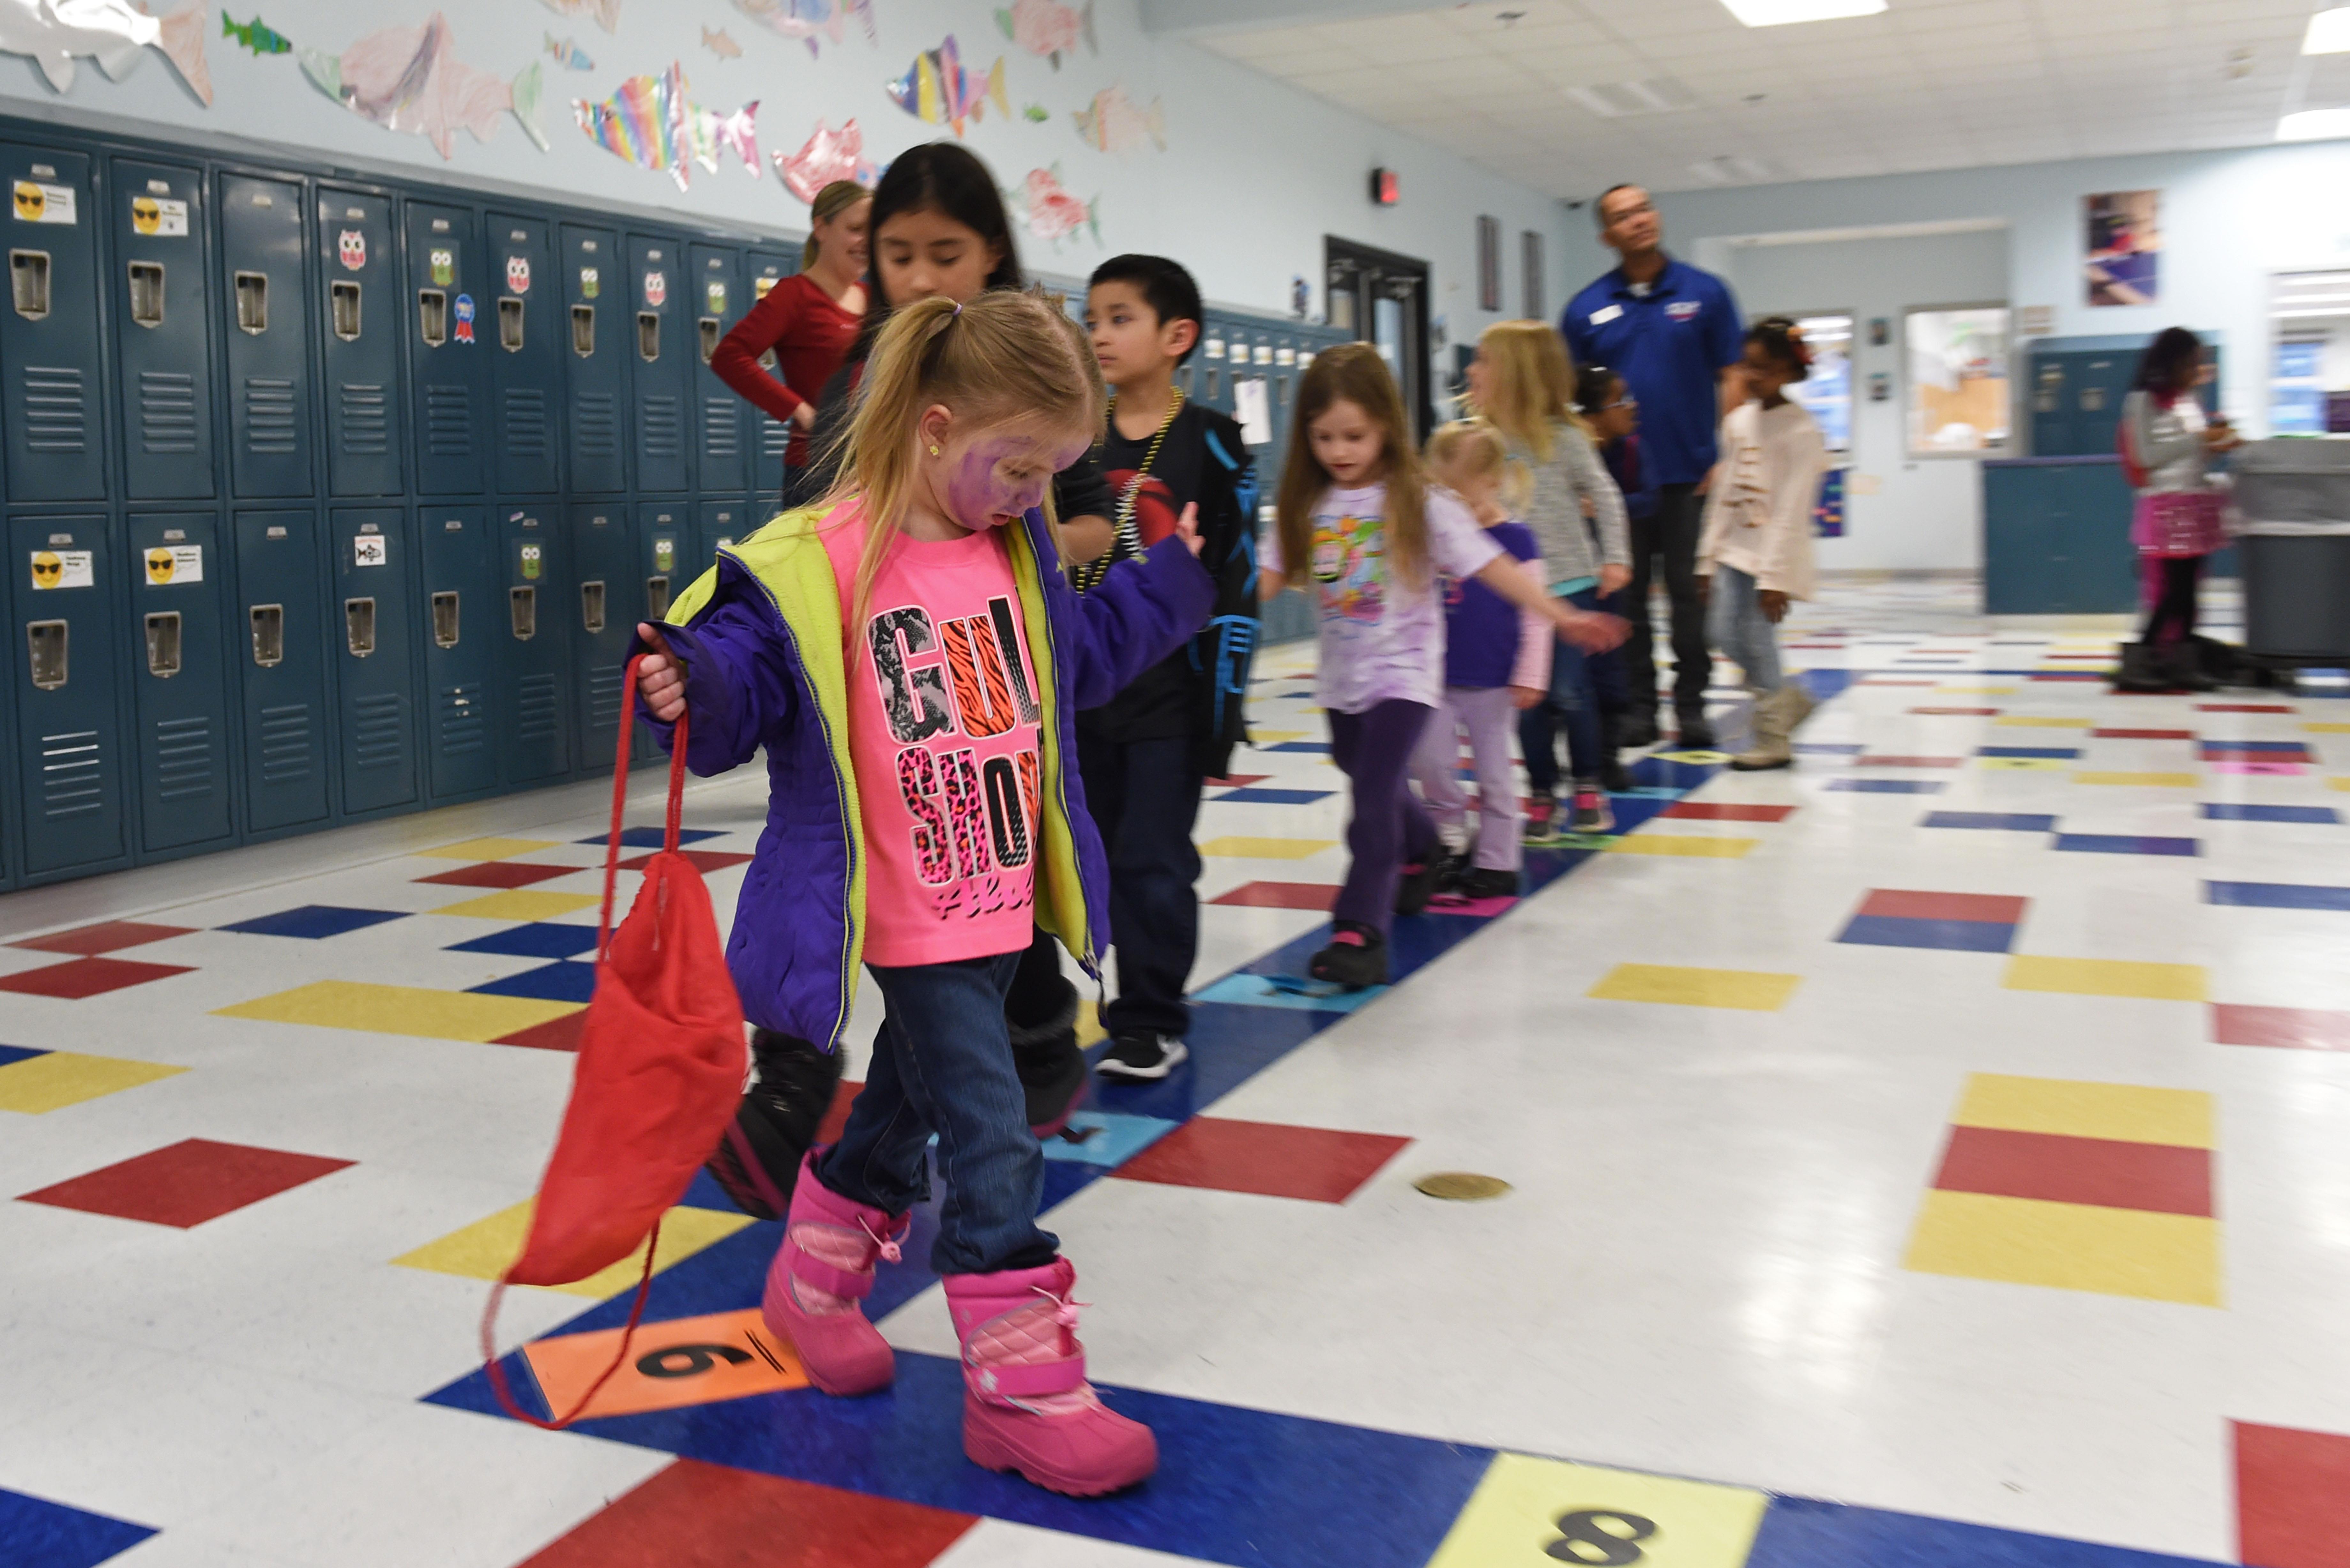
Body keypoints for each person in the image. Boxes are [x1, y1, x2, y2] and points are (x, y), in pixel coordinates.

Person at [631, 290, 1213, 1497]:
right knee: (993, 1132)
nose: (1033, 496)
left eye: (1052, 473)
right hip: (905, 905)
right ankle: (1024, 1388)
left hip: (998, 891)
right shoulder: (822, 555)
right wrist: (694, 678)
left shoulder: (1010, 552)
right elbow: (748, 663)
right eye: (1016, 467)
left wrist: (1172, 588)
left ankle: (810, 1286)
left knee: (903, 1108)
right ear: (937, 426)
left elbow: (1082, 658)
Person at [704, 144, 1112, 1223]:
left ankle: (829, 1250)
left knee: (923, 1080)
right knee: (982, 1123)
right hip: (891, 813)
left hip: (988, 830)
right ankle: (1013, 1329)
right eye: (898, 254)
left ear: (994, 258)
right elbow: (784, 606)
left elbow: (1077, 611)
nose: (921, 277)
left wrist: (1140, 580)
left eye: (948, 253)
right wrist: (705, 672)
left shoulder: (1020, 450)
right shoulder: (856, 402)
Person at [1262, 344, 1624, 989]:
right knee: (1365, 774)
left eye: (1355, 435)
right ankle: (1424, 845)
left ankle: (1358, 929)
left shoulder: (1421, 502)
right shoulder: (1305, 503)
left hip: (1404, 677)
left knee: (1370, 794)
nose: (1340, 451)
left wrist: (1560, 615)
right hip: (1342, 679)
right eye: (1323, 437)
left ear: (1385, 427)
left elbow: (1492, 565)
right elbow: (1260, 579)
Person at [1078, 254, 1259, 1082]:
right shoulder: (1072, 435)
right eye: (1093, 319)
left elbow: (1240, 577)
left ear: (1176, 336)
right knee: (1100, 858)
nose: (1100, 335)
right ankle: (1113, 1000)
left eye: (1121, 318)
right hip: (1086, 691)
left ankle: (1152, 1017)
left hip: (1171, 700)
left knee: (1154, 857)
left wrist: (1223, 708)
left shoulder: (1215, 443)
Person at [1563, 185, 1746, 753]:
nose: (1638, 221)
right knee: (1629, 595)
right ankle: (1639, 707)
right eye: (1623, 216)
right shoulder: (1585, 308)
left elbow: (1732, 377)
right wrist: (1582, 479)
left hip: (1692, 476)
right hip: (1618, 484)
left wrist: (1726, 454)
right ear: (1607, 235)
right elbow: (1571, 402)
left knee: (1692, 598)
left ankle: (1691, 706)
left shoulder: (1706, 293)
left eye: (1643, 209)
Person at [1464, 321, 1630, 838]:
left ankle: (1587, 784)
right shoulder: (1477, 441)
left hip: (1566, 582)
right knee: (1526, 697)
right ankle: (1541, 789)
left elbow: (1604, 494)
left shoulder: (1565, 440)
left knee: (1568, 691)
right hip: (1507, 588)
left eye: (1483, 361)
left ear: (1517, 373)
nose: (1472, 370)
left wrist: (1616, 557)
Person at [1407, 421, 1549, 898]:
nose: (1455, 512)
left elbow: (1536, 615)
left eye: (1463, 498)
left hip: (1494, 682)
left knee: (1495, 775)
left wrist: (1531, 674)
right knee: (1431, 762)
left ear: (1493, 483)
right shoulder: (1433, 538)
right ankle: (1449, 842)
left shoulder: (1518, 541)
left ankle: (1497, 861)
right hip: (1436, 678)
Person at [1697, 318, 1827, 772]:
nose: (1753, 377)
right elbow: (1722, 494)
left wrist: (1775, 577)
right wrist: (1705, 560)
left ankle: (1773, 737)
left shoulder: (1802, 431)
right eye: (1747, 366)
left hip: (1769, 558)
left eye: (1765, 368)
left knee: (1757, 636)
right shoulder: (1738, 422)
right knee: (1719, 633)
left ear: (1790, 372)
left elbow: (1792, 512)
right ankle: (1788, 700)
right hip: (1732, 550)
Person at [711, 179, 870, 507]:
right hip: (819, 467)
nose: (866, 242)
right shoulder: (796, 295)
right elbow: (730, 355)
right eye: (855, 229)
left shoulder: (873, 298)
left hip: (872, 466)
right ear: (821, 228)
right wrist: (802, 412)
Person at [2115, 326, 2238, 692]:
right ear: (2171, 362)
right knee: (2175, 589)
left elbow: (2192, 453)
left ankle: (2183, 662)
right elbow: (2145, 457)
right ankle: (2142, 656)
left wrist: (2216, 445)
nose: (2197, 370)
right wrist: (2197, 440)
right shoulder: (2141, 402)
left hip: (2194, 499)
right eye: (2192, 362)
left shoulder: (2188, 401)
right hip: (2167, 504)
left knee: (2191, 588)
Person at [1579, 362, 1652, 798]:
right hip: (1565, 579)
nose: (1632, 406)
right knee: (1566, 679)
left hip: (1609, 575)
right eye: (1620, 400)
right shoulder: (1565, 448)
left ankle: (1606, 760)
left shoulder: (1631, 449)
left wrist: (1606, 505)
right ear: (1592, 413)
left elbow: (1649, 497)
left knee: (1610, 665)